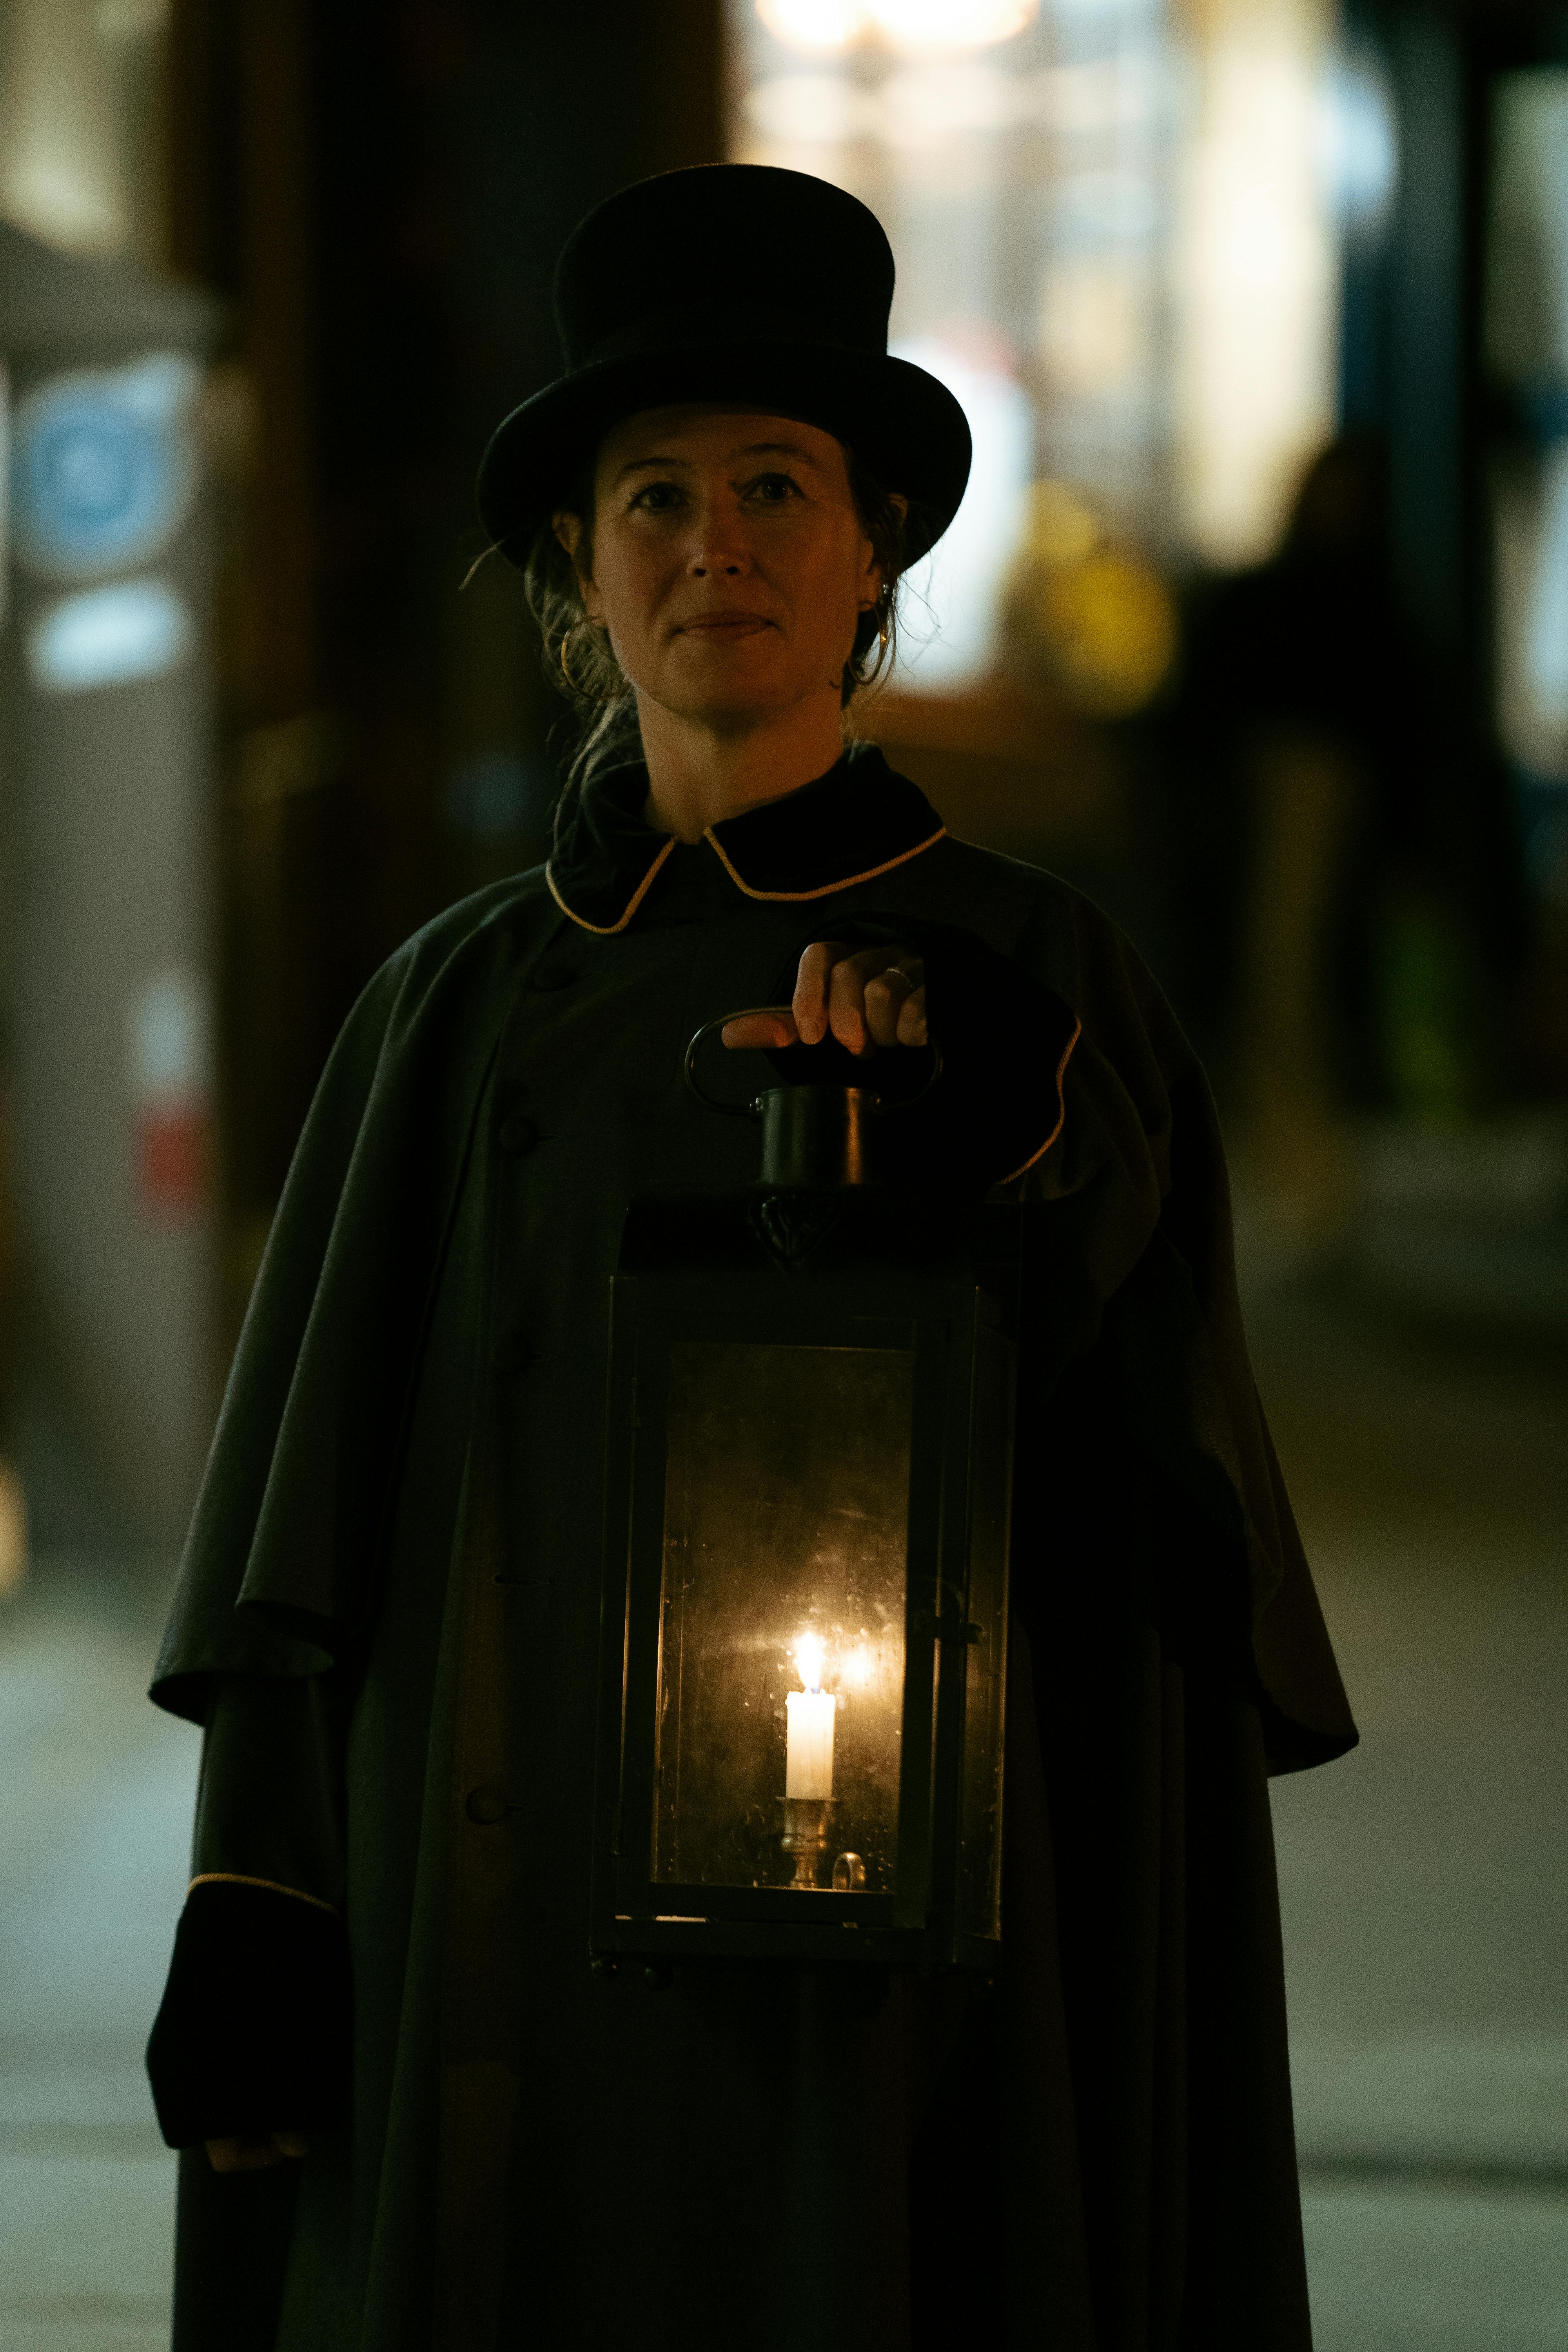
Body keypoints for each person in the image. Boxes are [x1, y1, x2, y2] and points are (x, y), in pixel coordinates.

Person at [145, 165, 1355, 2352]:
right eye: (658, 496)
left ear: (875, 545)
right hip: (502, 1935)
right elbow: (300, 1553)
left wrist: (1013, 1139)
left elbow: (1162, 1480)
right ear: (577, 571)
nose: (721, 546)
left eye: (780, 487)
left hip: (921, 1966)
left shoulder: (1034, 968)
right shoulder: (451, 1007)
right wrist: (260, 1898)